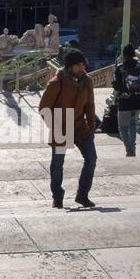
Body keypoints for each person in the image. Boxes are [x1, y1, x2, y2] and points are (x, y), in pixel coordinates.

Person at [38, 49, 98, 209]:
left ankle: (82, 195)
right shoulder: (57, 82)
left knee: (91, 158)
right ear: (70, 66)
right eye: (78, 65)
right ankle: (57, 196)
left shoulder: (87, 81)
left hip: (80, 125)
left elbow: (90, 105)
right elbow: (44, 107)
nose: (82, 68)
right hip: (60, 123)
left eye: (83, 64)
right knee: (57, 164)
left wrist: (91, 128)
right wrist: (55, 127)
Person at [112, 44, 140, 157]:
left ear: (124, 55)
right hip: (138, 101)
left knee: (123, 127)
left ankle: (130, 151)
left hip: (125, 101)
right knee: (132, 124)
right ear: (134, 54)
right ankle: (133, 147)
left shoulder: (120, 68)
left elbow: (116, 86)